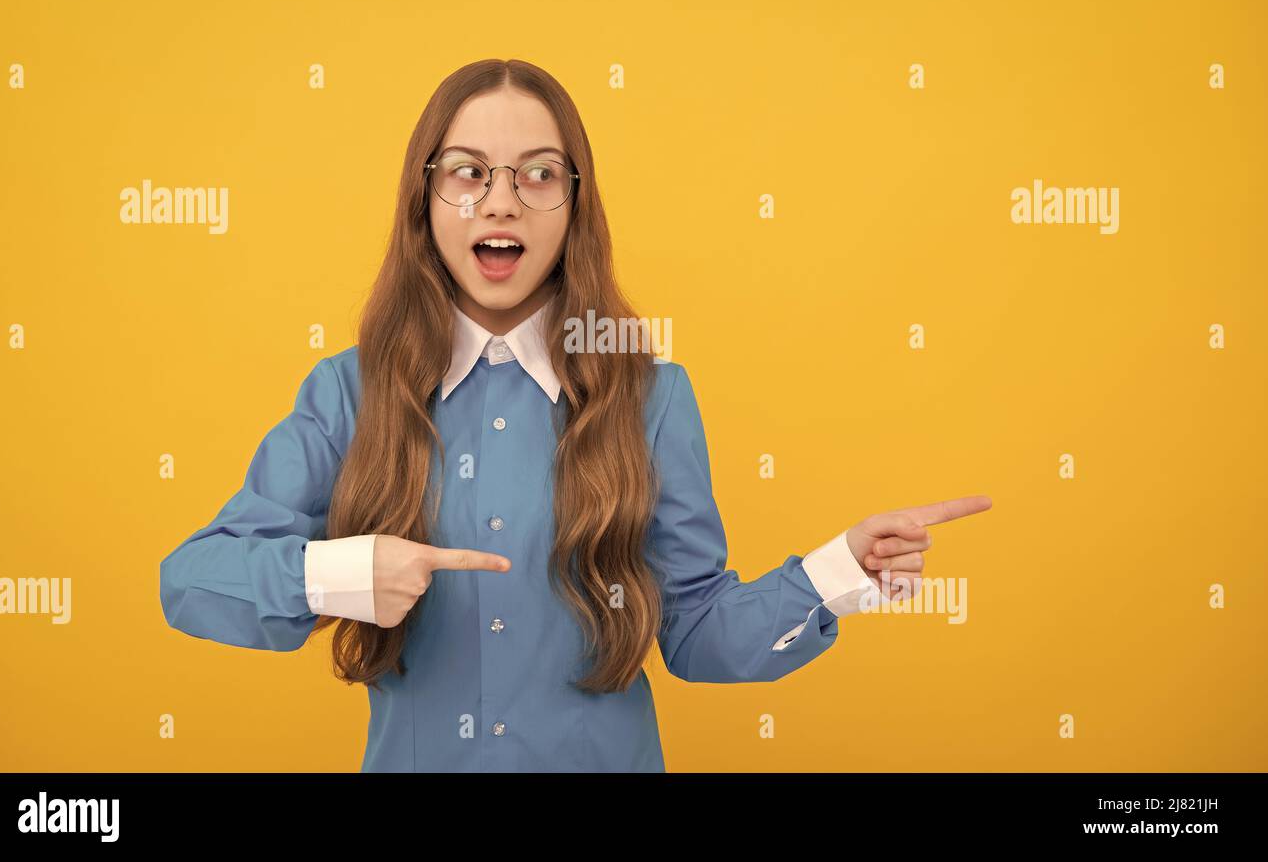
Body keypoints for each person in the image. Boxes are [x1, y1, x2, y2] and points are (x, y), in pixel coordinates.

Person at [159, 58, 992, 771]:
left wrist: (840, 572)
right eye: (467, 171)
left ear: (574, 203)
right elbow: (189, 582)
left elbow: (698, 635)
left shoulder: (652, 399)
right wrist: (344, 573)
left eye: (538, 173)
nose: (501, 201)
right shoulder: (347, 395)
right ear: (426, 198)